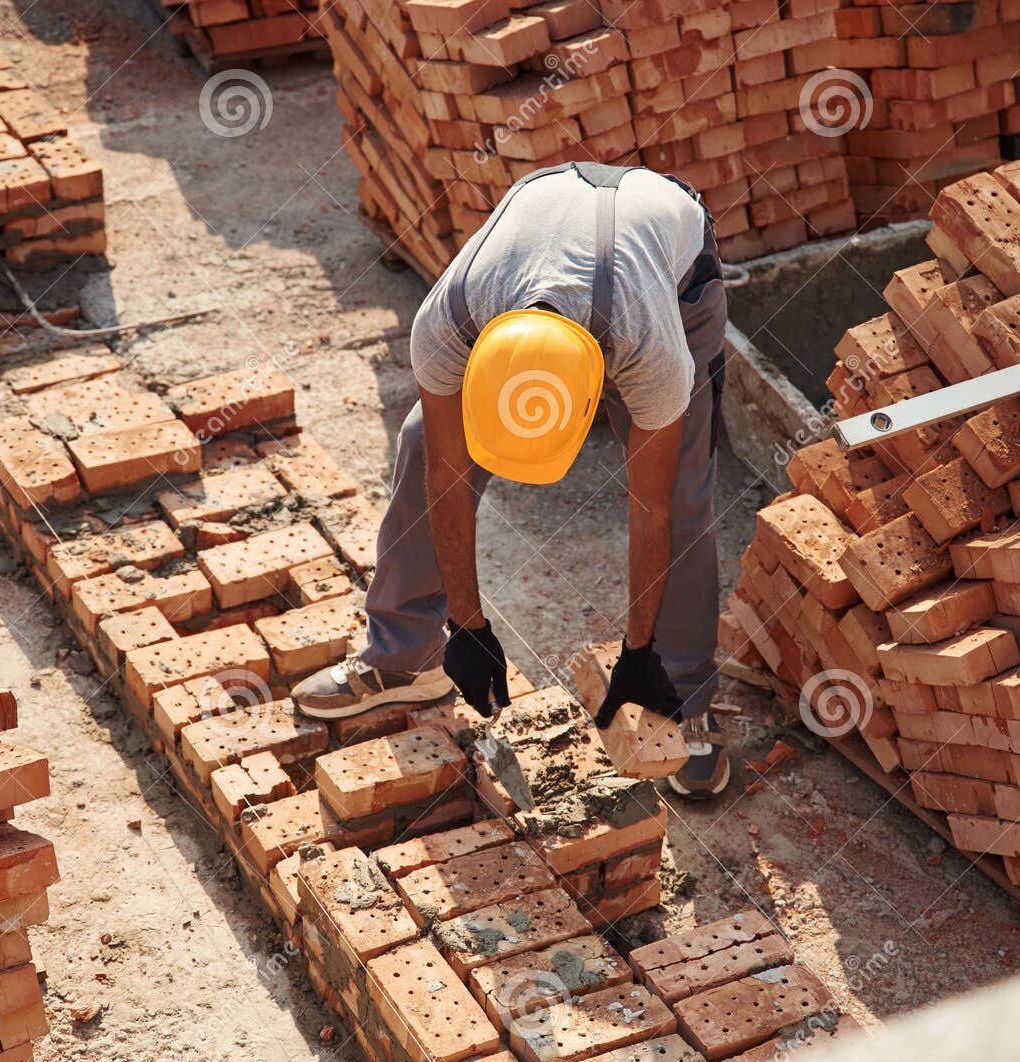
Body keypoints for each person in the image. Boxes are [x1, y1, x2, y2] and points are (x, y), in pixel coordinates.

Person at [292, 162, 730, 798]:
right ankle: (404, 651)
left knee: (684, 487)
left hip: (673, 266)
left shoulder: (652, 353)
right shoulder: (447, 324)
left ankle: (682, 695)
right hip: (543, 226)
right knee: (422, 442)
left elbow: (652, 510)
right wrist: (468, 626)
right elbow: (446, 470)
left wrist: (638, 653)